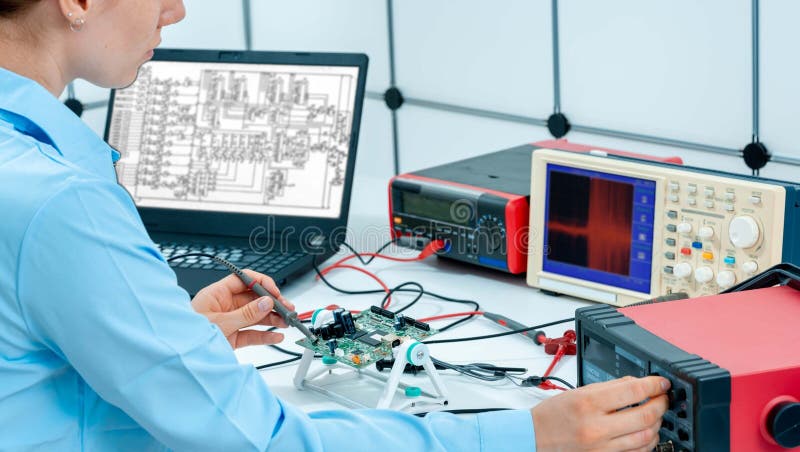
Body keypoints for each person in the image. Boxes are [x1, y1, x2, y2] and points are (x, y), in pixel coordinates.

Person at [0, 1, 670, 450]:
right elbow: (263, 441)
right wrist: (527, 436)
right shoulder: (64, 202)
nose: (176, 9)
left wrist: (170, 342)